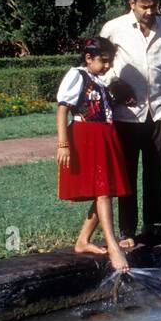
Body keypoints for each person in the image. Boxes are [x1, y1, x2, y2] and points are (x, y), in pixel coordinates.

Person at [100, 0, 161, 248]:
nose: (150, 12)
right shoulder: (114, 28)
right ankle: (127, 230)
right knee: (127, 171)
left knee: (155, 168)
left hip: (156, 109)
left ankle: (155, 225)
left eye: (154, 6)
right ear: (131, 3)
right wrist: (114, 82)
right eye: (144, 7)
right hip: (126, 113)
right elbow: (99, 61)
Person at [55, 37, 131, 273]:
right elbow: (62, 110)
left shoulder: (98, 79)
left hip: (103, 137)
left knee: (105, 190)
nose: (107, 66)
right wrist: (63, 144)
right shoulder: (77, 75)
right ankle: (113, 247)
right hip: (86, 138)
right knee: (103, 192)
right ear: (89, 58)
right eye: (104, 61)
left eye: (110, 61)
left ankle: (83, 240)